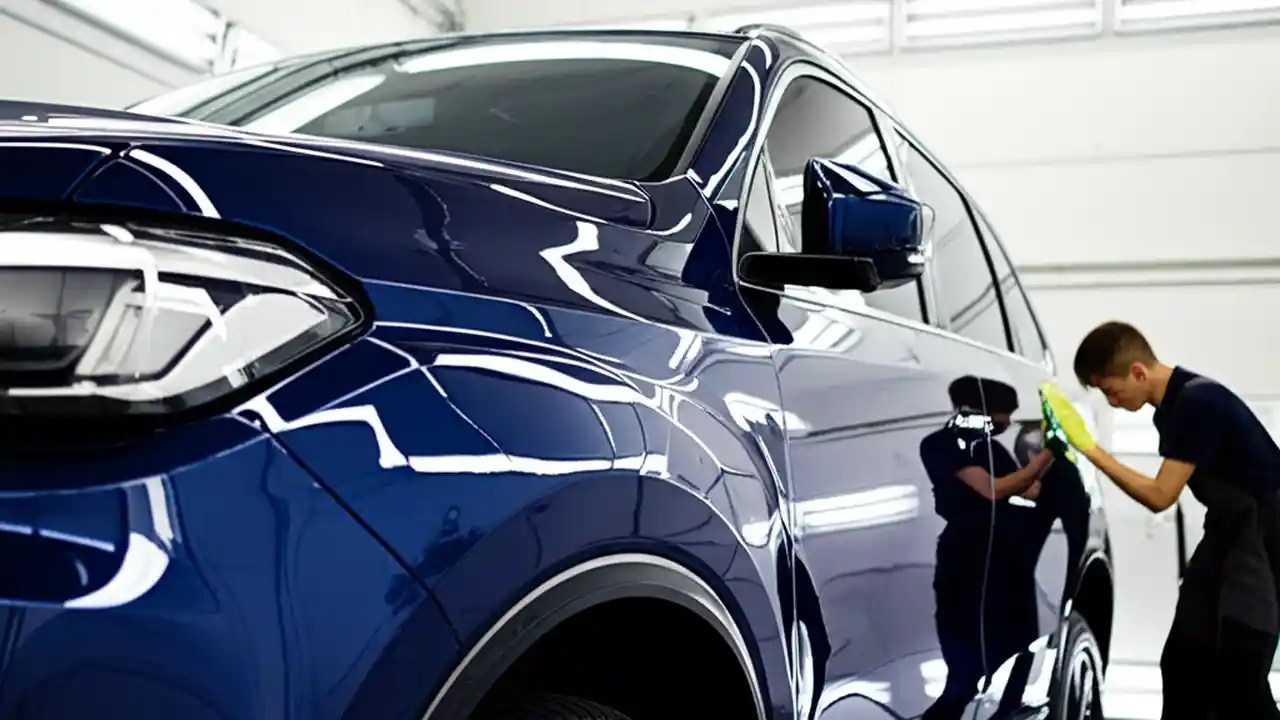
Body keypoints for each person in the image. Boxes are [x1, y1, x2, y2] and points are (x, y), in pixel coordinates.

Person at [1042, 321, 1280, 719]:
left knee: (1240, 678)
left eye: (1112, 392)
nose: (1112, 402)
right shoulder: (1171, 411)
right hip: (1227, 531)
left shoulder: (1197, 403)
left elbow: (1160, 496)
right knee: (1184, 661)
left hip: (1263, 535)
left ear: (1138, 372)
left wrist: (1089, 448)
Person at [919, 376, 1052, 719]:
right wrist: (1041, 461)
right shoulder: (943, 443)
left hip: (1007, 559)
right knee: (965, 655)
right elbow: (992, 488)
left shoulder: (990, 447)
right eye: (1002, 415)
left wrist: (1038, 462)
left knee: (1016, 646)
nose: (1006, 423)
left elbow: (1029, 491)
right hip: (965, 558)